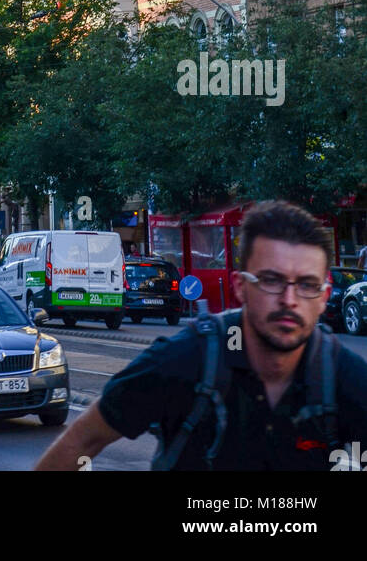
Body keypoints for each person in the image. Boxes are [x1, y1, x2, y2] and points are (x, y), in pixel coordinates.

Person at [35, 200, 367, 472]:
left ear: (325, 296)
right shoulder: (185, 359)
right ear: (240, 287)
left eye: (307, 285)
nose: (289, 300)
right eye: (271, 280)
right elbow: (84, 439)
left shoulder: (349, 381)